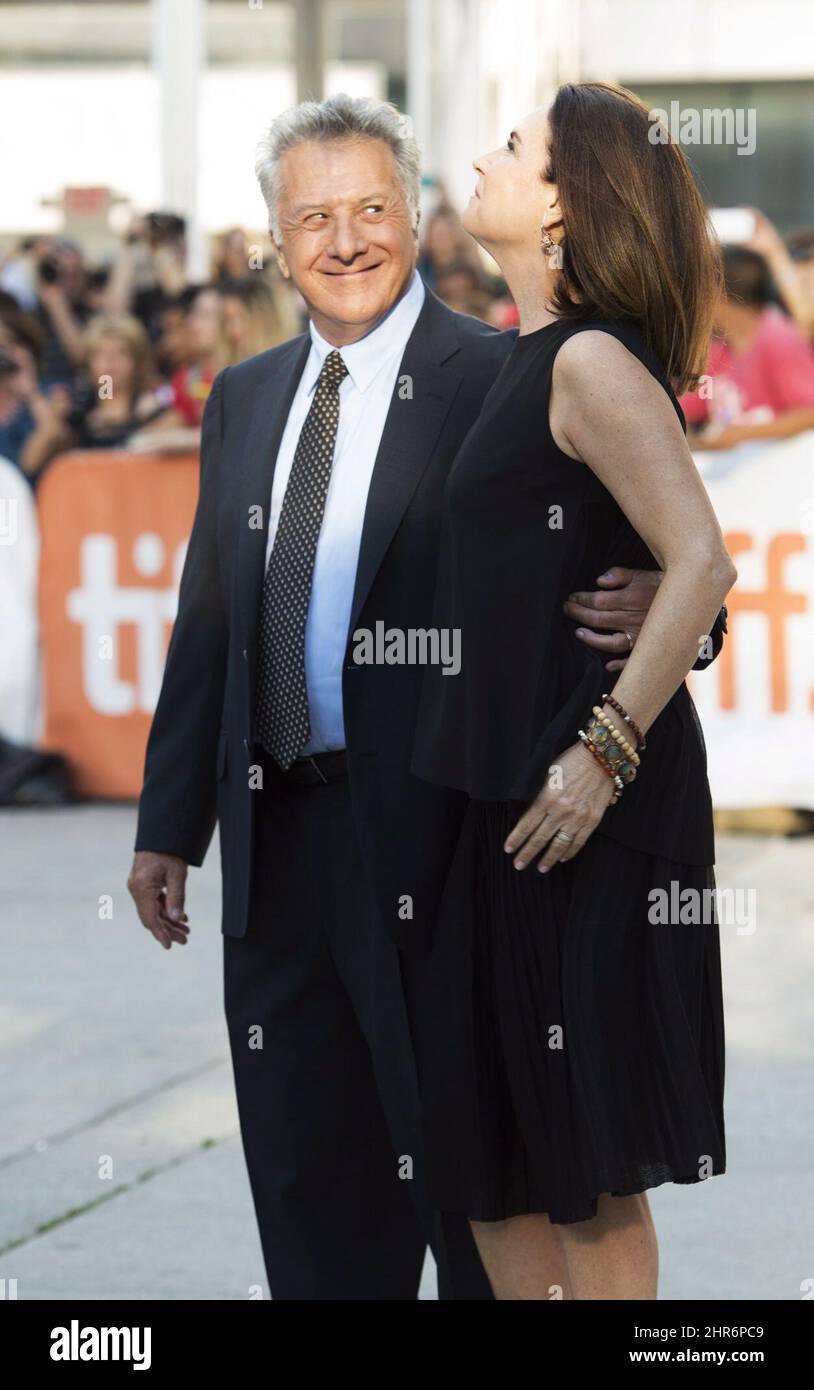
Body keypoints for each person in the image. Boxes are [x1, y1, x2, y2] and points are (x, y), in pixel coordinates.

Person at [127, 93, 726, 1302]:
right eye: (312, 218)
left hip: (448, 840)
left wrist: (678, 630)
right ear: (274, 241)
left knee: (479, 1179)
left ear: (414, 217)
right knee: (310, 1185)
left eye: (369, 209)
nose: (344, 240)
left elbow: (667, 552)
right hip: (278, 844)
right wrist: (165, 823)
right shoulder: (241, 398)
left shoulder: (505, 367)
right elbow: (210, 625)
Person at [409, 81, 735, 1302]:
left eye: (512, 147)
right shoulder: (519, 355)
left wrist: (602, 751)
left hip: (577, 797)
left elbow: (700, 558)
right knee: (492, 1155)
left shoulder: (591, 358)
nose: (482, 161)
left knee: (584, 1157)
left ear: (562, 200)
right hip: (491, 789)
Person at [682, 245, 814, 449]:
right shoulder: (719, 349)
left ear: (720, 296)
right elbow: (688, 407)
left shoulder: (777, 338)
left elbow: (809, 412)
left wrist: (742, 434)